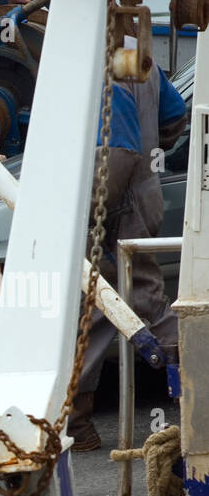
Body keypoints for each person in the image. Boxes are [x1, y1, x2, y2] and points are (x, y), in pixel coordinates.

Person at [68, 59, 188, 451]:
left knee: (124, 301)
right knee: (108, 304)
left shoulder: (104, 64)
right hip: (141, 195)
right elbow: (174, 117)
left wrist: (86, 214)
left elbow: (115, 155)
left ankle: (196, 395)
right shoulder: (140, 59)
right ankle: (75, 422)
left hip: (119, 201)